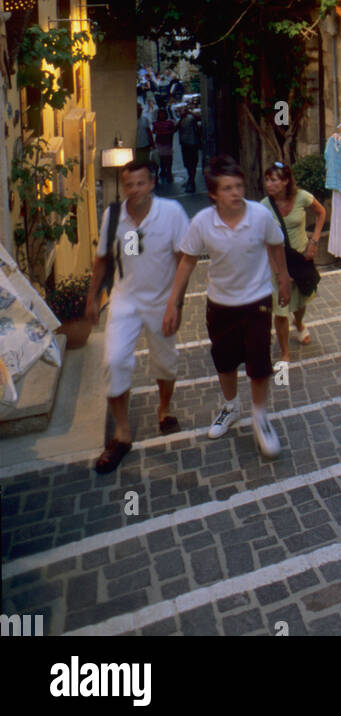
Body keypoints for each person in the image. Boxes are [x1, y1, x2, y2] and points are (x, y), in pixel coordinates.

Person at [162, 155, 291, 458]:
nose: (236, 193)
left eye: (239, 186)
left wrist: (283, 278)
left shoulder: (260, 215)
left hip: (257, 300)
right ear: (214, 194)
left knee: (259, 364)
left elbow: (276, 244)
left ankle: (260, 416)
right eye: (228, 188)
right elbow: (187, 263)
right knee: (225, 363)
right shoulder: (202, 223)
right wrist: (173, 303)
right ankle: (230, 407)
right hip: (220, 304)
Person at [86, 161, 189, 474]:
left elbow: (185, 258)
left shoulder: (171, 213)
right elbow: (103, 259)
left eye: (141, 184)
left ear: (152, 183)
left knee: (165, 362)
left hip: (162, 300)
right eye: (130, 185)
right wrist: (92, 299)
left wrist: (176, 303)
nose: (135, 191)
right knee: (114, 360)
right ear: (124, 185)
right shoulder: (113, 216)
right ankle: (122, 432)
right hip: (125, 300)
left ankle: (164, 407)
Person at [262, 161, 326, 360]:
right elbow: (264, 242)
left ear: (285, 181)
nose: (268, 184)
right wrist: (280, 273)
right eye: (267, 180)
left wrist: (314, 240)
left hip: (300, 258)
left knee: (300, 301)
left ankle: (298, 324)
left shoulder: (302, 197)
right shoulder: (264, 206)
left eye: (273, 180)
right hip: (276, 263)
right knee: (281, 310)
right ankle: (285, 352)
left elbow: (321, 212)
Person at [177, 105, 202, 193]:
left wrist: (190, 112)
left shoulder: (191, 118)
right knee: (187, 163)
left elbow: (198, 118)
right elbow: (176, 128)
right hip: (184, 144)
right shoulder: (181, 120)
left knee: (192, 163)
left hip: (192, 143)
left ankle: (191, 182)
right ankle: (190, 180)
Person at [152, 105, 177, 186]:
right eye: (160, 114)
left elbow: (173, 130)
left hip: (168, 144)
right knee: (158, 159)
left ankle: (169, 172)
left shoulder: (169, 123)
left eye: (163, 113)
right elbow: (154, 131)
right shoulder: (156, 123)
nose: (161, 115)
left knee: (168, 159)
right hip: (159, 144)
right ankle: (158, 174)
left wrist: (168, 133)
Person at [135, 102, 154, 166]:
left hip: (145, 145)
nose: (140, 111)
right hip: (136, 146)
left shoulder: (145, 119)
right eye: (138, 110)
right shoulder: (132, 121)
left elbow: (149, 132)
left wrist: (152, 143)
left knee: (146, 162)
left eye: (141, 110)